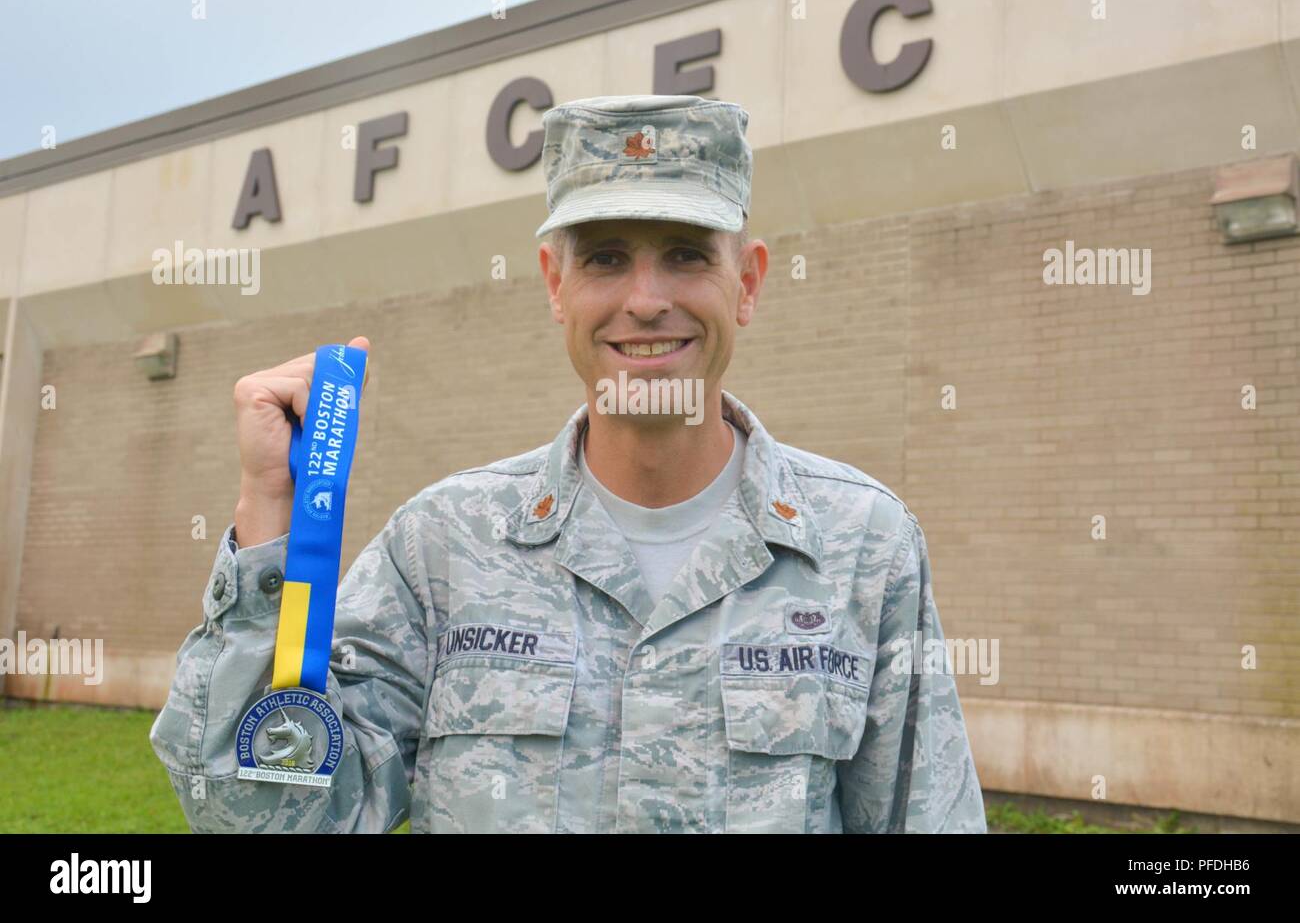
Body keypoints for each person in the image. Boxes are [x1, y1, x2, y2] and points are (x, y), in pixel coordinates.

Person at [150, 93, 987, 833]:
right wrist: (271, 525)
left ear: (748, 282)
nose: (647, 298)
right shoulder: (444, 548)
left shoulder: (865, 546)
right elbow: (271, 817)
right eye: (606, 257)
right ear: (555, 284)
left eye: (689, 253)